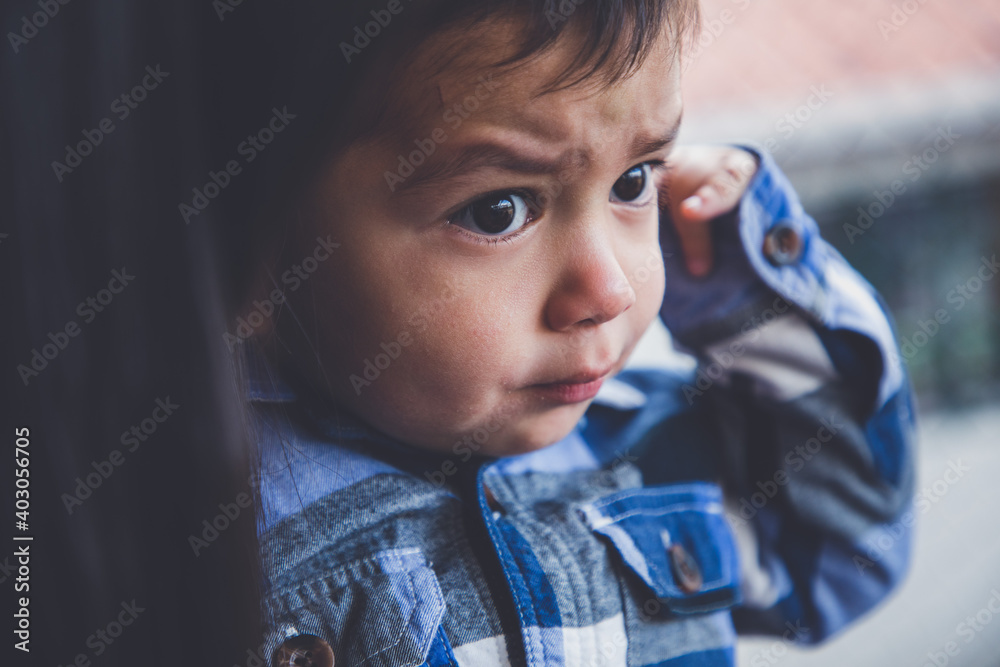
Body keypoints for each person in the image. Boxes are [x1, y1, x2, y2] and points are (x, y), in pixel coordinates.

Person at [238, 1, 916, 665]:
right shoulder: (204, 526)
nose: (610, 291)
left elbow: (843, 547)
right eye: (497, 210)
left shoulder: (643, 450)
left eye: (633, 181)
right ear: (258, 239)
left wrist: (748, 294)